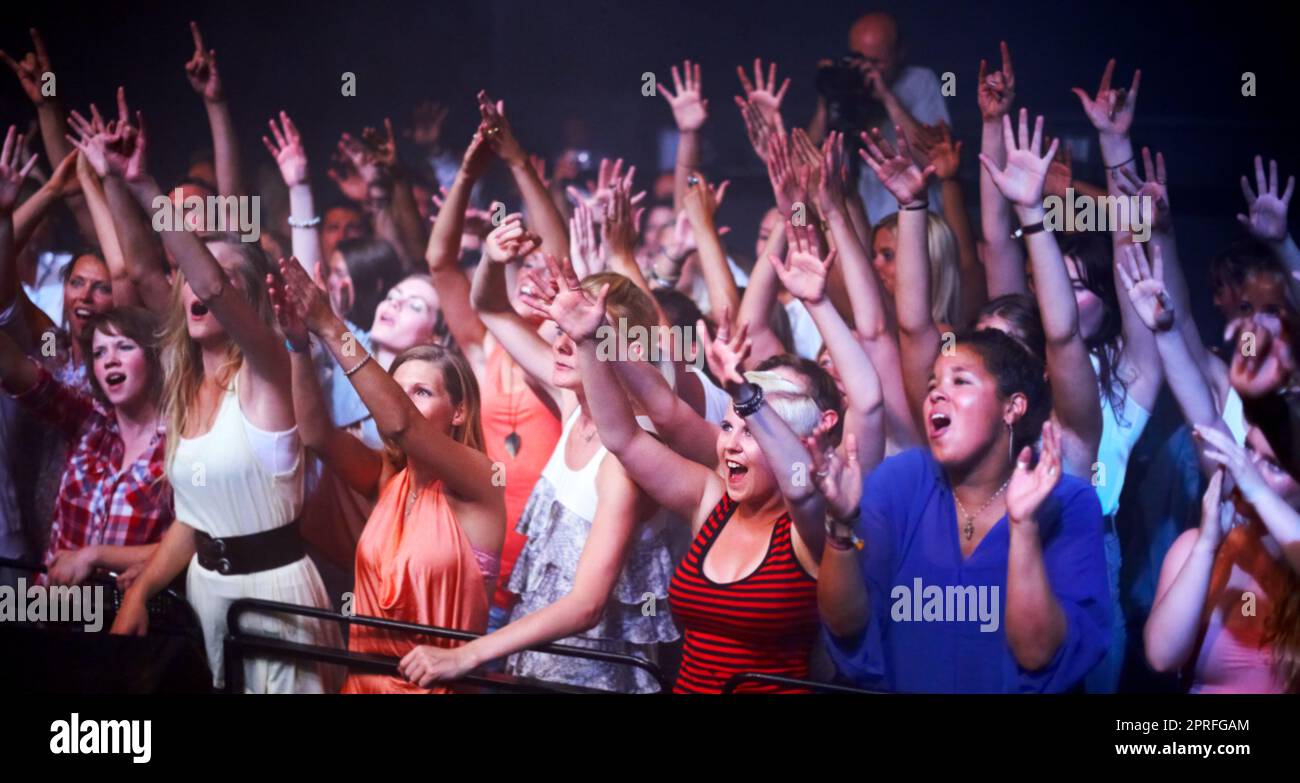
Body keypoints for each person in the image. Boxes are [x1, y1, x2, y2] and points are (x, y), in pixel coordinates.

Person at [101, 103, 340, 693]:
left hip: (276, 598)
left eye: (228, 280)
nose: (205, 287)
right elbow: (195, 520)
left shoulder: (267, 369)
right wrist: (141, 590)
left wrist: (146, 185)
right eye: (194, 278)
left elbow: (207, 277)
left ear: (248, 301)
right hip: (208, 594)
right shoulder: (184, 389)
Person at [818, 329, 1110, 692]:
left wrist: (1023, 527)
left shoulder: (1068, 503)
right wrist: (840, 527)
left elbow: (1037, 655)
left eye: (961, 381)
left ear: (1012, 407)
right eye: (932, 386)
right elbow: (846, 627)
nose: (937, 393)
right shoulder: (901, 481)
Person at [271, 255, 504, 694]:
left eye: (421, 391)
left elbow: (400, 424)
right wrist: (299, 345)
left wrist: (329, 323)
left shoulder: (481, 481)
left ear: (459, 411)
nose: (402, 402)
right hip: (363, 686)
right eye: (397, 391)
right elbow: (317, 434)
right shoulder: (388, 478)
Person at [1146, 428, 1300, 693]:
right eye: (1248, 449)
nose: (1247, 469)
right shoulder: (1199, 547)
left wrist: (1259, 493)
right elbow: (1162, 657)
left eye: (1274, 465)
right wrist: (1206, 546)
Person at [809, 12, 951, 223]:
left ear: (899, 53)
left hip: (917, 220)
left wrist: (887, 97)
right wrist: (827, 98)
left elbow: (937, 161)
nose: (867, 68)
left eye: (876, 61)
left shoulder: (921, 81)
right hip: (864, 225)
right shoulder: (848, 86)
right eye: (860, 59)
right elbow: (808, 158)